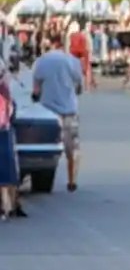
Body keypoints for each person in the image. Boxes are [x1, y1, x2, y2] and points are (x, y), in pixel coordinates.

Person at [31, 36, 84, 192]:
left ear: (49, 45)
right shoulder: (73, 61)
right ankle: (72, 180)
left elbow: (36, 89)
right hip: (69, 110)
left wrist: (36, 97)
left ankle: (43, 177)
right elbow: (79, 86)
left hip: (48, 112)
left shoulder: (41, 62)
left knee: (45, 148)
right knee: (72, 148)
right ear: (62, 45)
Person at [0, 71, 24, 219]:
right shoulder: (5, 91)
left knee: (5, 174)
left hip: (3, 131)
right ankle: (9, 205)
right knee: (7, 173)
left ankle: (7, 206)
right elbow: (11, 113)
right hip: (4, 132)